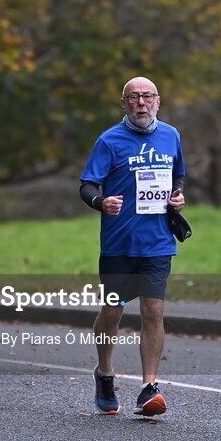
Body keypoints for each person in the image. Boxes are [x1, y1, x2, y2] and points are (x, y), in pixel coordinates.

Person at [79, 76, 186, 416]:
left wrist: (177, 196)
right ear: (123, 103)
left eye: (147, 96)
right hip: (118, 245)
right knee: (113, 312)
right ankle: (105, 373)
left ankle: (148, 387)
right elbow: (86, 185)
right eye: (134, 97)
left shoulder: (171, 136)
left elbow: (178, 175)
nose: (141, 102)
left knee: (153, 312)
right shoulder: (109, 141)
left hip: (157, 243)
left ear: (158, 101)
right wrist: (100, 202)